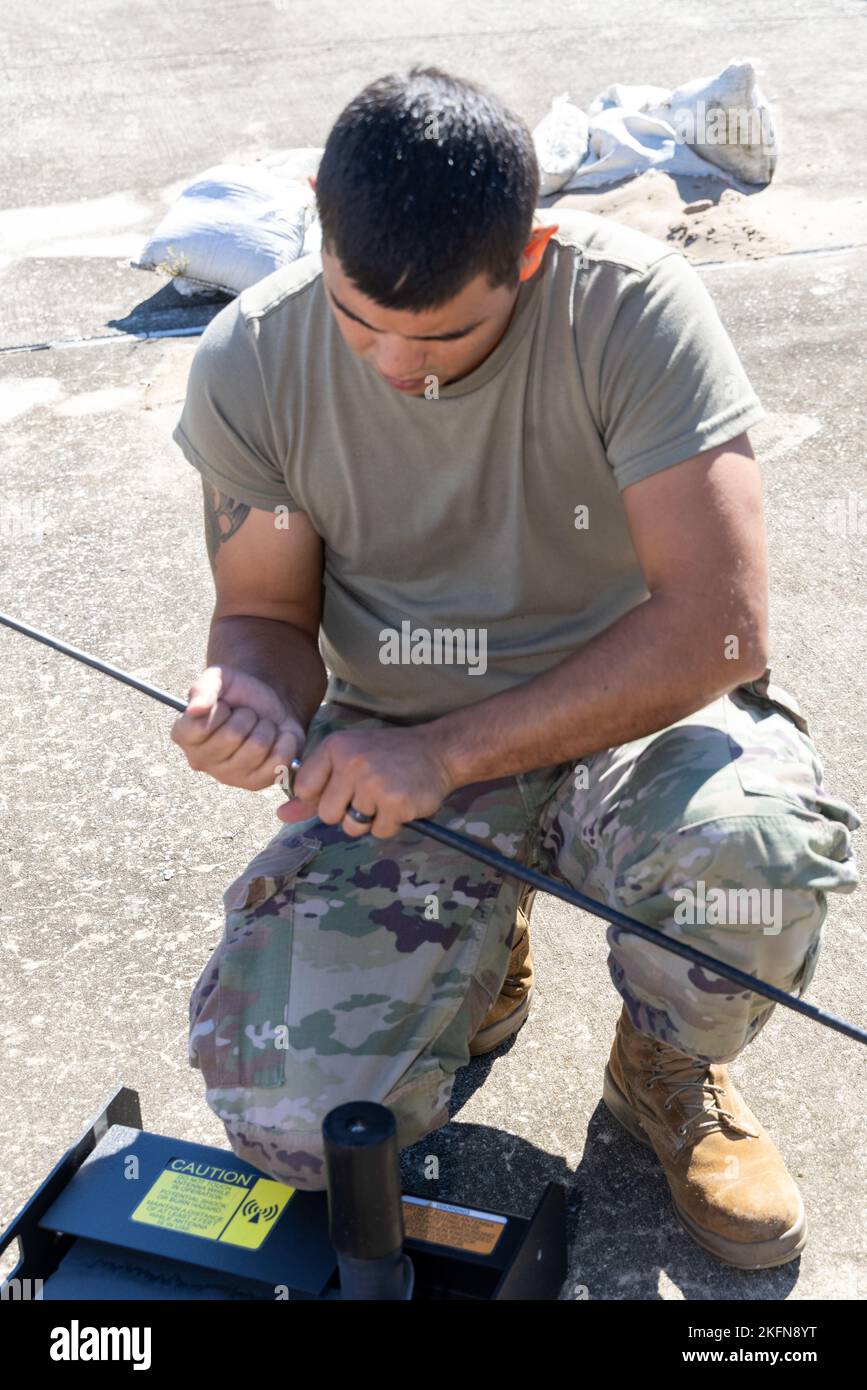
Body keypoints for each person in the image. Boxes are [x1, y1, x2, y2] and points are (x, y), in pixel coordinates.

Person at [169, 65, 859, 1271]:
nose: (392, 363)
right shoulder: (251, 359)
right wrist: (253, 697)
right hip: (407, 750)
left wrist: (445, 753)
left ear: (530, 254)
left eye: (441, 333)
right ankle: (483, 949)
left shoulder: (633, 306)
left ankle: (666, 1064)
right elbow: (265, 614)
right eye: (355, 317)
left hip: (631, 723)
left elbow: (720, 629)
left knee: (747, 853)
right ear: (320, 226)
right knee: (296, 1127)